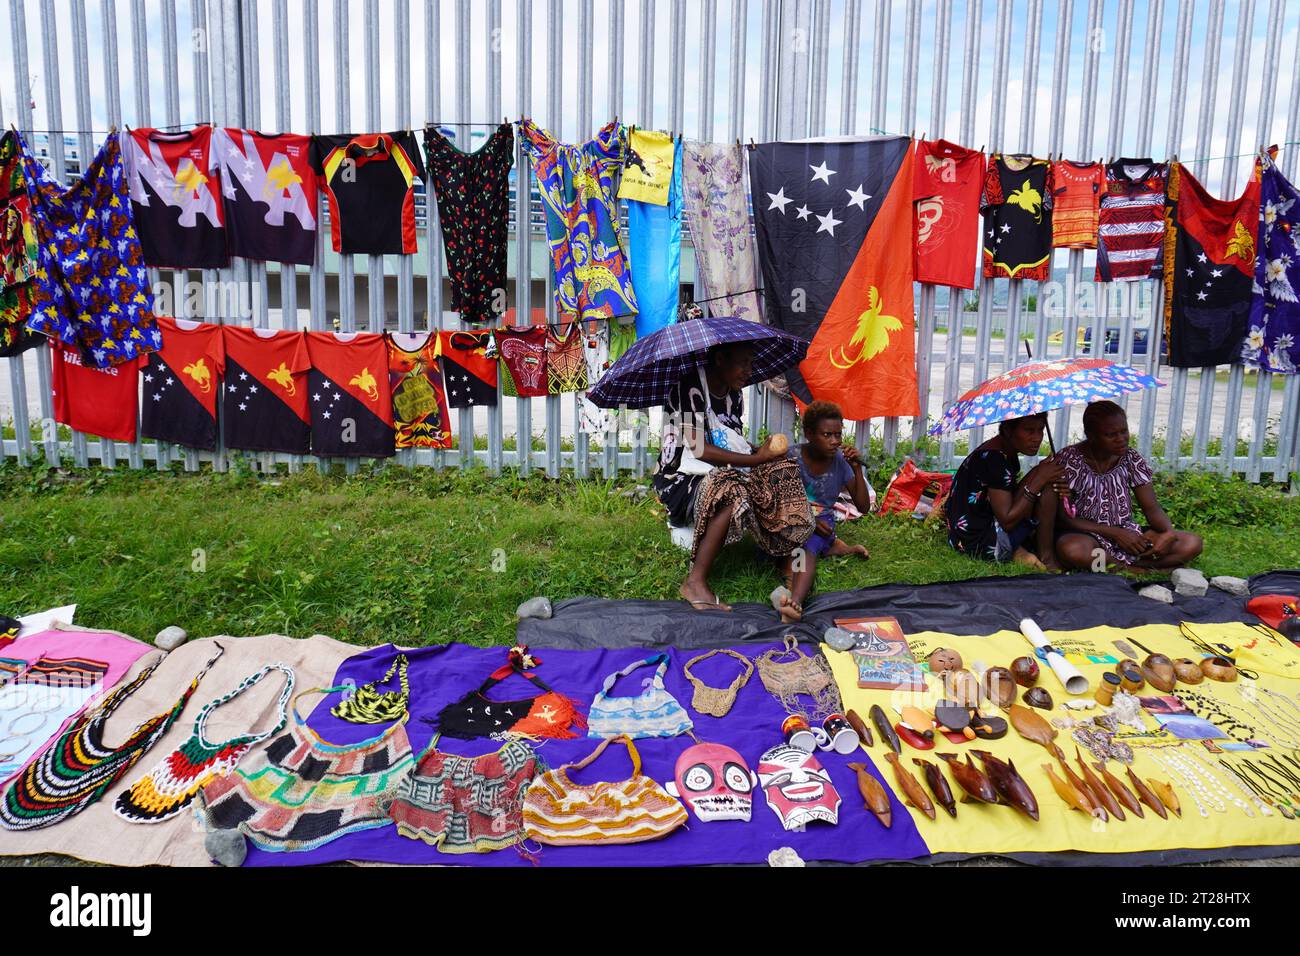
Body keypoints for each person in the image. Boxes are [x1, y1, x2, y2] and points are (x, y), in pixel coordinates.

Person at [652, 342, 814, 611]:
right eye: (744, 363)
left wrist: (762, 453)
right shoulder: (690, 386)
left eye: (751, 363)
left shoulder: (734, 395)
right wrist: (756, 458)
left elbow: (730, 441)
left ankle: (786, 559)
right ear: (720, 359)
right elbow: (700, 448)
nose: (748, 371)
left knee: (783, 472)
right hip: (680, 479)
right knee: (731, 490)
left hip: (721, 471)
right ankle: (695, 582)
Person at [1052, 400, 1203, 571]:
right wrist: (1116, 534)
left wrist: (1167, 533)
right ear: (1091, 435)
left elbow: (1151, 508)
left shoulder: (1131, 458)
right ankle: (1136, 569)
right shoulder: (1070, 460)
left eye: (1124, 431)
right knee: (1074, 551)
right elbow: (1065, 519)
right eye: (1111, 435)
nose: (1121, 439)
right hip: (1087, 535)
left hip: (1128, 535)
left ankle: (1123, 566)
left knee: (1192, 543)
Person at [774, 401, 872, 623]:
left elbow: (863, 507)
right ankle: (833, 547)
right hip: (790, 516)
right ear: (809, 434)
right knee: (795, 545)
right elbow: (777, 500)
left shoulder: (839, 461)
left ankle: (795, 602)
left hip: (821, 521)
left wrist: (856, 468)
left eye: (838, 435)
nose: (834, 441)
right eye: (827, 435)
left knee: (804, 549)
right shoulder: (791, 458)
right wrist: (807, 520)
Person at [945, 413, 1066, 569]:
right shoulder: (994, 459)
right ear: (1008, 430)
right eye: (1029, 430)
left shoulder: (1004, 451)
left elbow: (1011, 495)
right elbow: (1007, 521)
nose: (1037, 438)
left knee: (1046, 485)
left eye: (1041, 429)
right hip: (975, 539)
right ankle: (1046, 557)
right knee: (1044, 486)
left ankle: (1038, 551)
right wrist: (1039, 479)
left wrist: (1039, 472)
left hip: (979, 525)